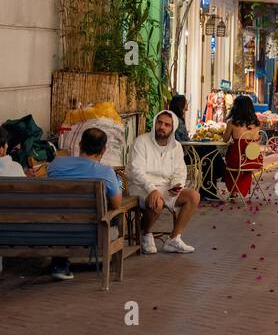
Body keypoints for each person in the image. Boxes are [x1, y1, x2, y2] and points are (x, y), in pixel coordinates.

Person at [46, 126, 125, 280]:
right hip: (92, 230)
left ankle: (60, 262)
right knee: (114, 215)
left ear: (80, 145)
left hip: (57, 226)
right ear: (103, 150)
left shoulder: (56, 164)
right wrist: (118, 183)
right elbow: (117, 204)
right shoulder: (106, 172)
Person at [127, 110, 200, 254]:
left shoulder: (176, 146)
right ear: (155, 123)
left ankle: (173, 239)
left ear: (172, 128)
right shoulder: (141, 141)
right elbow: (136, 171)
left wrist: (177, 185)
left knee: (193, 196)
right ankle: (145, 234)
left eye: (167, 125)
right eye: (160, 123)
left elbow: (180, 171)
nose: (162, 127)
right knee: (157, 201)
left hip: (166, 187)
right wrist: (152, 189)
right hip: (141, 187)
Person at [223, 94, 264, 199]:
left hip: (237, 159)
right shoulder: (256, 123)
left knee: (229, 166)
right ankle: (240, 189)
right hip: (254, 159)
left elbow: (225, 139)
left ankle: (234, 191)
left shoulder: (232, 123)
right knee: (244, 168)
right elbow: (258, 140)